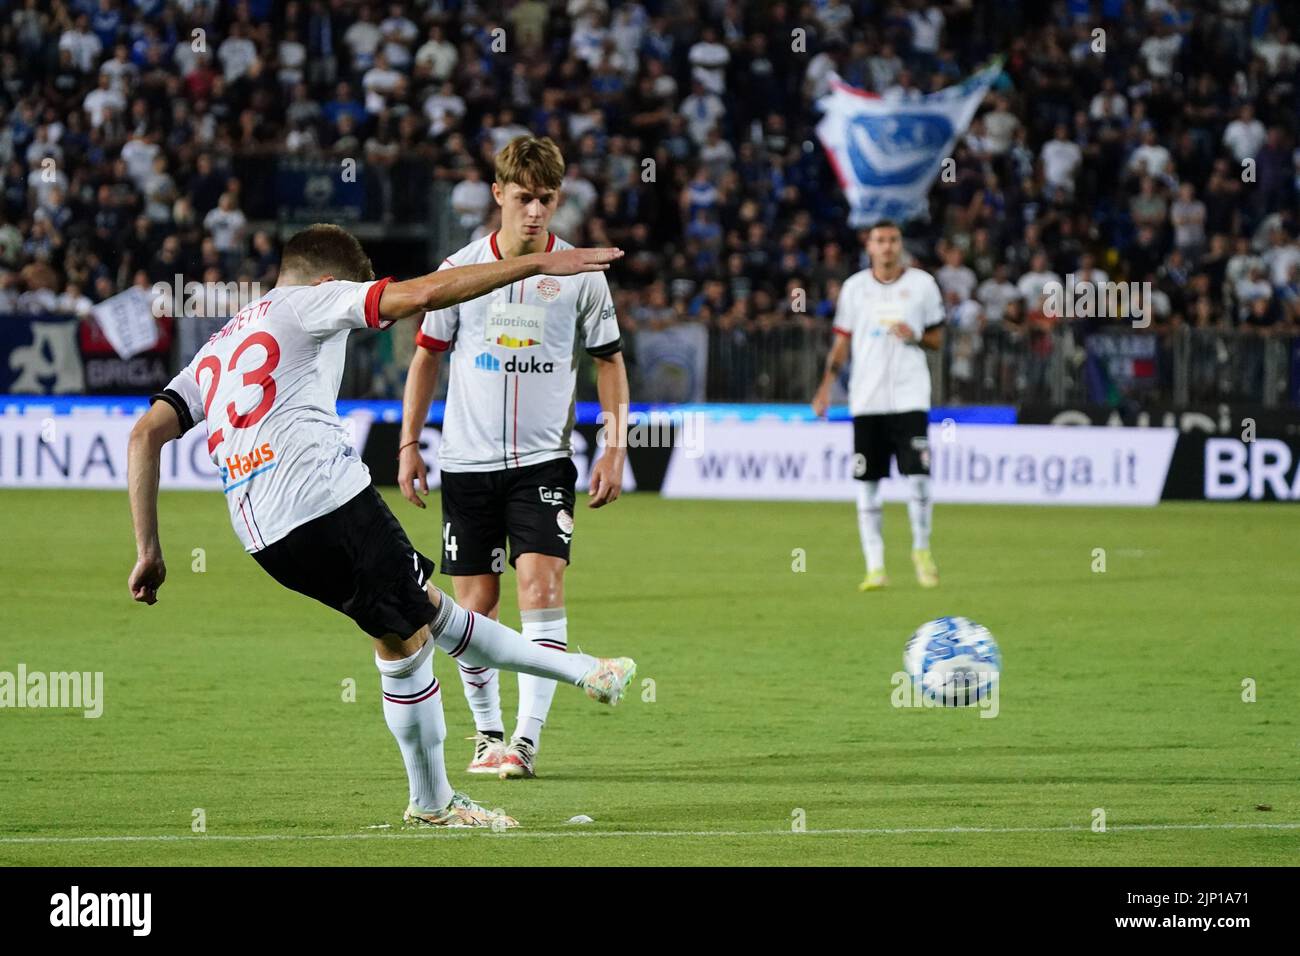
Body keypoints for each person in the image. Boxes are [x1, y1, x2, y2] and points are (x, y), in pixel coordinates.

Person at [126, 223, 634, 828]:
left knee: (410, 624)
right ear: (329, 281)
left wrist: (149, 549)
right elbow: (419, 297)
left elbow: (144, 434)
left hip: (264, 535)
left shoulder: (221, 344)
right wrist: (535, 267)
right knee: (417, 627)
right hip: (323, 499)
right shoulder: (314, 299)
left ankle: (576, 678)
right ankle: (442, 798)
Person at [398, 135, 630, 780]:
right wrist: (409, 442)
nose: (535, 211)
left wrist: (615, 446)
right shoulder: (461, 269)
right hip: (466, 462)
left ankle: (525, 744)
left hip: (544, 462)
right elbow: (425, 358)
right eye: (523, 197)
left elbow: (609, 361)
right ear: (498, 194)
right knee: (475, 608)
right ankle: (487, 735)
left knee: (542, 587)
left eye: (546, 199)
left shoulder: (581, 274)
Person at [811, 220, 944, 591]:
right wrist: (825, 389)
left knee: (918, 476)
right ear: (869, 247)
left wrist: (915, 336)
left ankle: (921, 549)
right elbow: (841, 343)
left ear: (900, 245)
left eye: (893, 240)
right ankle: (875, 566)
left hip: (910, 395)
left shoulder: (922, 285)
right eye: (880, 241)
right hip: (866, 400)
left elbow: (937, 339)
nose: (887, 247)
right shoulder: (855, 289)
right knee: (867, 482)